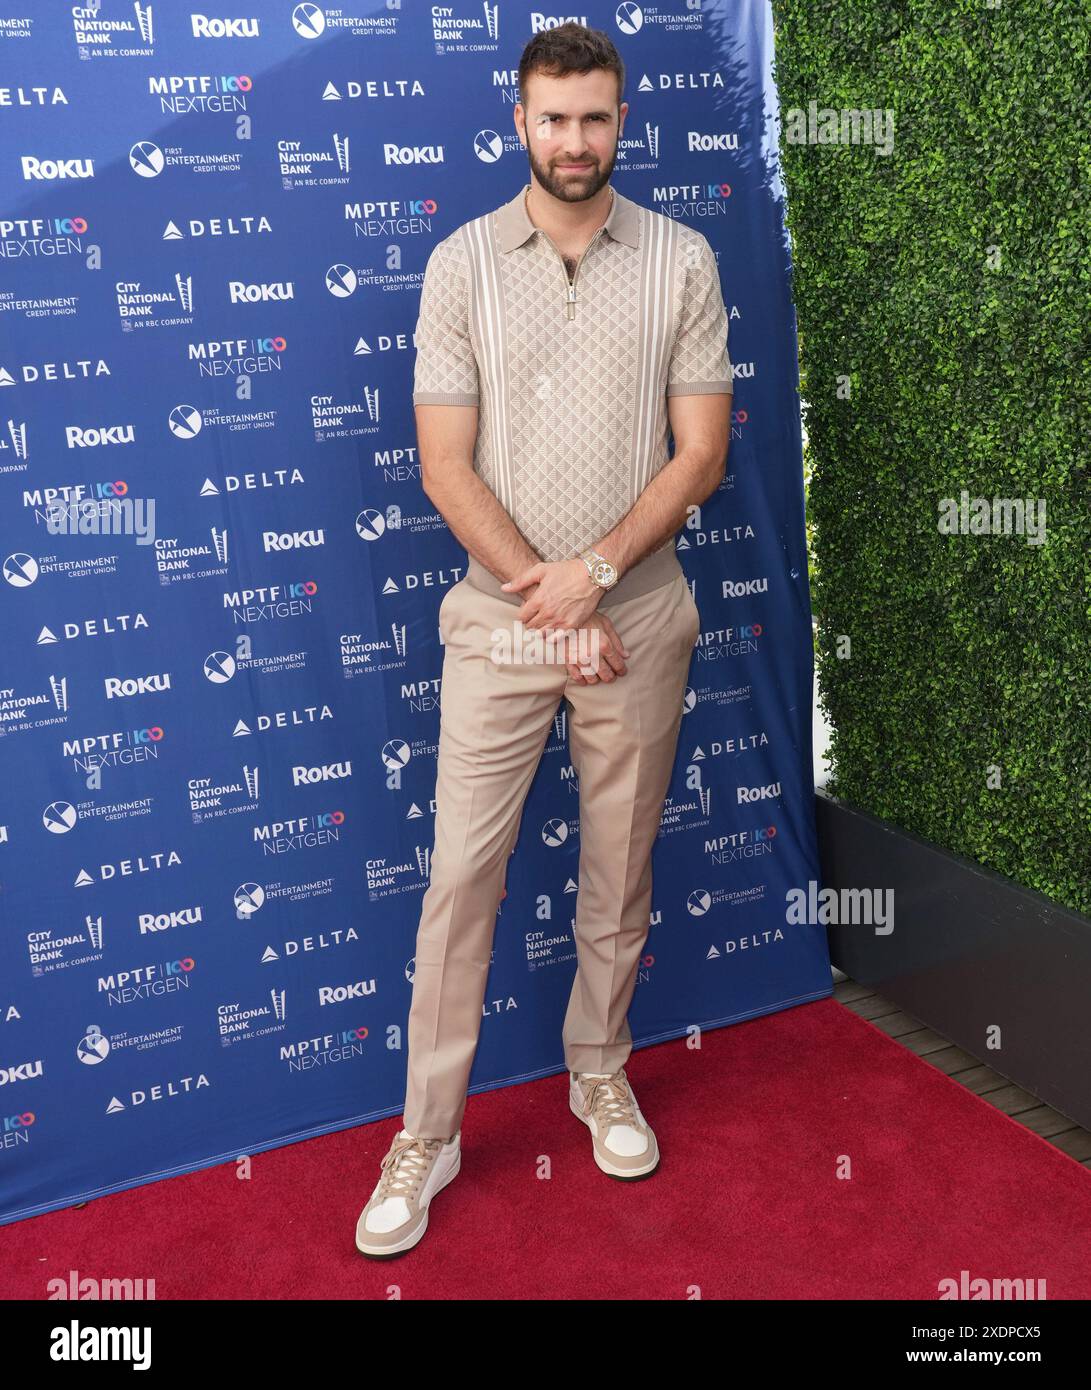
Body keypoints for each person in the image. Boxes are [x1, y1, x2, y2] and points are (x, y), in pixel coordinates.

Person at [356, 21, 733, 1259]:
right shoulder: (459, 264)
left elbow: (700, 452)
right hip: (504, 619)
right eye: (553, 118)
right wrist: (546, 597)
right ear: (516, 122)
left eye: (596, 118)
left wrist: (600, 576)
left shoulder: (681, 260)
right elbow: (441, 461)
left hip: (638, 612)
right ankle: (428, 1130)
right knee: (462, 879)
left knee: (617, 876)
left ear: (621, 122)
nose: (575, 142)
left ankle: (598, 1072)